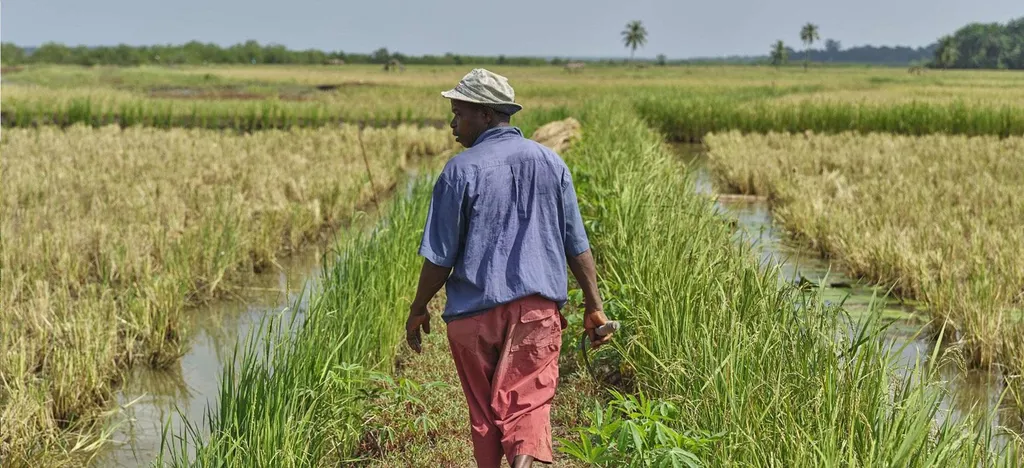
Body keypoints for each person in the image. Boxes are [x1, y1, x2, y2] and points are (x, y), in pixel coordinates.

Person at [404, 68, 613, 468]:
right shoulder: (551, 163)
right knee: (527, 410)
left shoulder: (459, 171)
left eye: (459, 112)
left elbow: (439, 258)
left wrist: (418, 308)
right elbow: (577, 245)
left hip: (472, 318)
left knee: (484, 417)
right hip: (535, 314)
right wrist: (594, 304)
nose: (452, 123)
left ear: (485, 115)